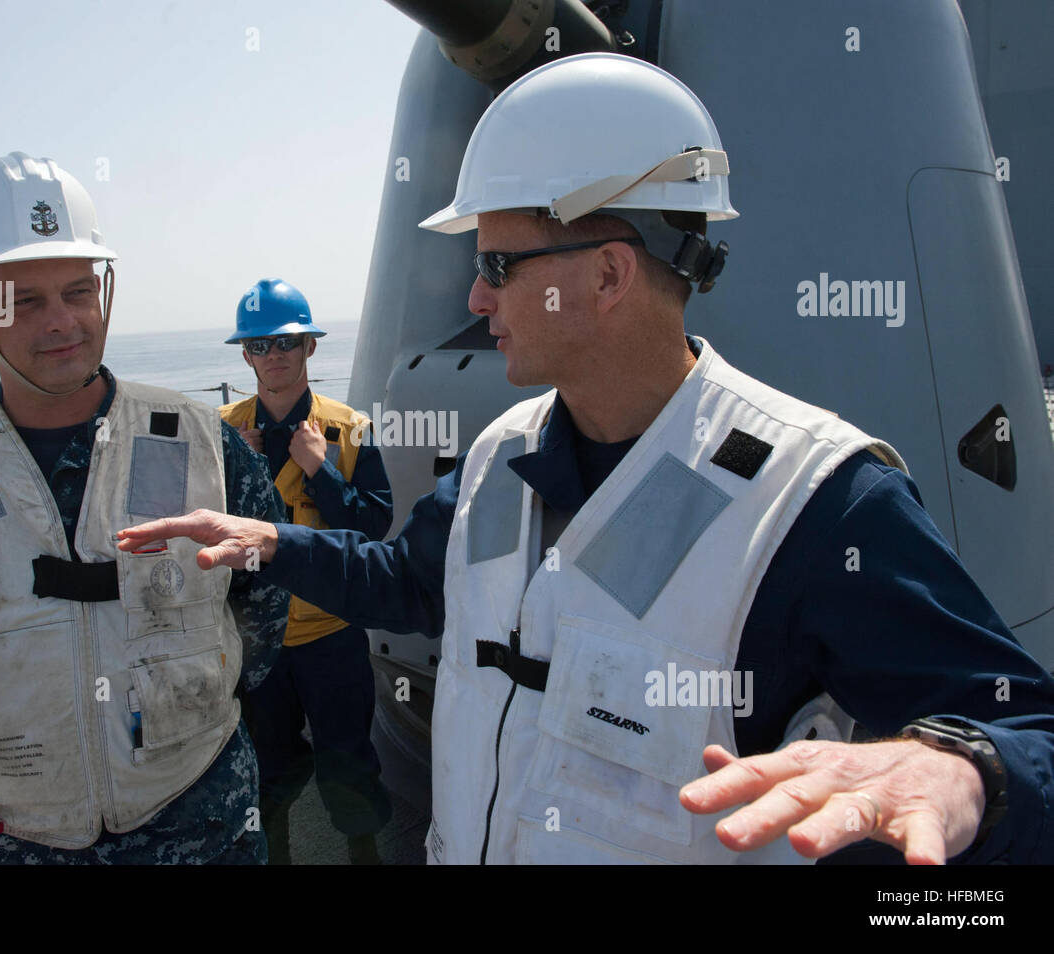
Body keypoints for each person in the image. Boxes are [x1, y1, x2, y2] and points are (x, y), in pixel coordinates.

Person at [118, 55, 1054, 864]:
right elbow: (411, 583)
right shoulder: (500, 457)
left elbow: (1023, 726)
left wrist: (965, 768)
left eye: (494, 267)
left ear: (607, 274)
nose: (477, 304)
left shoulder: (816, 503)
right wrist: (271, 542)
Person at [0, 152, 289, 864]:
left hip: (195, 818)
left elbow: (262, 606)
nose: (62, 323)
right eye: (23, 302)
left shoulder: (206, 446)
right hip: (13, 839)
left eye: (79, 291)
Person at [218, 278, 394, 864]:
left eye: (287, 343)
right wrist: (232, 469)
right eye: (261, 345)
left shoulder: (349, 429)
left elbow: (372, 529)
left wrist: (321, 470)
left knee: (348, 763)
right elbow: (198, 522)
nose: (275, 356)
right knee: (266, 771)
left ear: (311, 348)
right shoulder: (220, 431)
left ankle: (365, 855)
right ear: (246, 355)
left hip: (331, 636)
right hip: (252, 640)